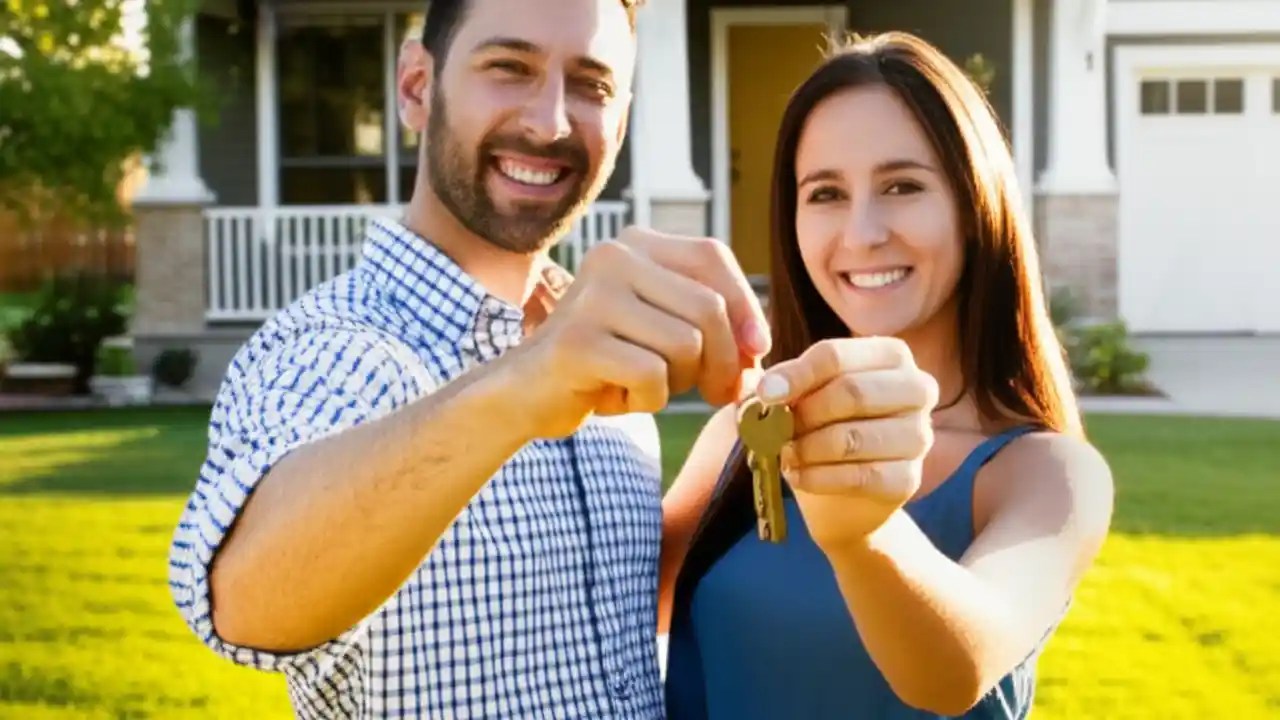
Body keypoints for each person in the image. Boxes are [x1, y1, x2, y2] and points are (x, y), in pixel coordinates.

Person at [166, 0, 776, 716]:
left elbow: (603, 620)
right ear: (417, 86)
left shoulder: (600, 351)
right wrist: (520, 384)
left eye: (592, 85)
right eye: (509, 68)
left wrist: (748, 452)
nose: (550, 121)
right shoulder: (333, 349)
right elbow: (246, 604)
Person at [659, 32, 1115, 719]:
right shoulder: (744, 432)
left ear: (974, 206)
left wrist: (862, 533)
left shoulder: (1049, 475)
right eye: (826, 194)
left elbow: (953, 675)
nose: (863, 232)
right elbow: (610, 601)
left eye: (902, 186)